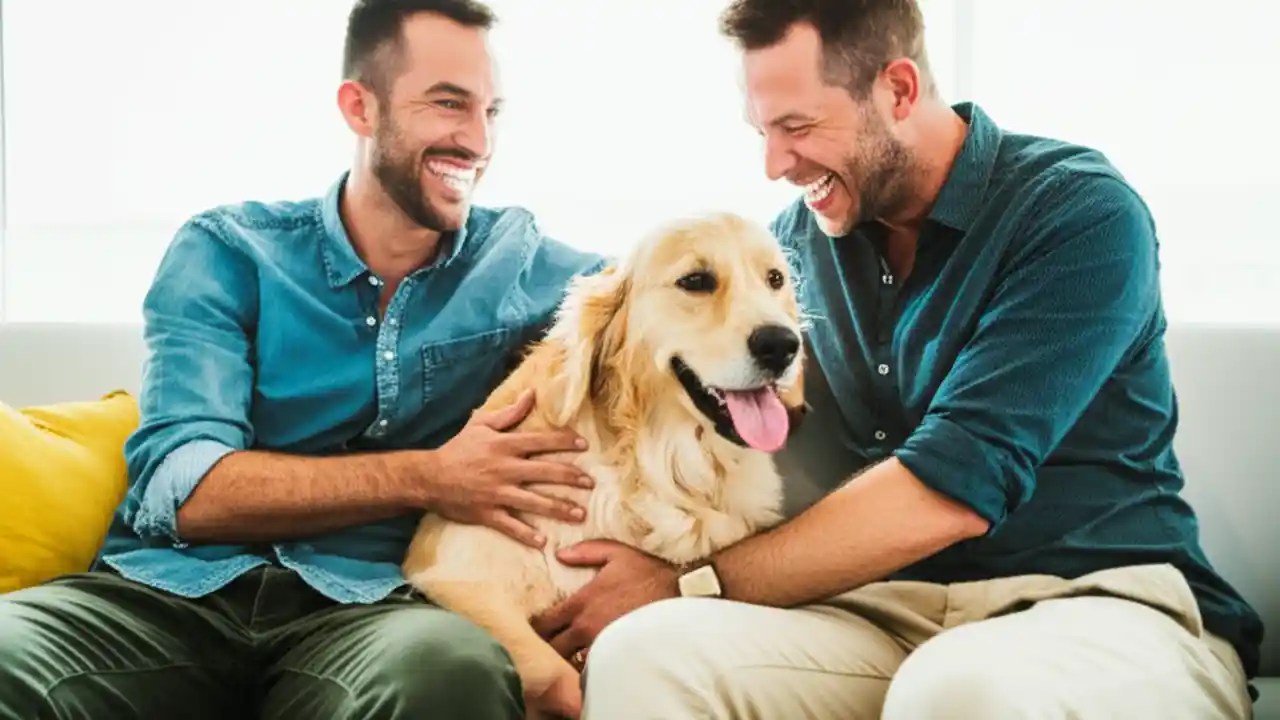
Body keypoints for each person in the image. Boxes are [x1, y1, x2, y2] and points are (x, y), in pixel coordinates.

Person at [531, 1, 1266, 718]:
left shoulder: (1077, 213)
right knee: (645, 654)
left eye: (798, 127)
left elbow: (953, 486)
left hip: (1096, 604)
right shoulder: (792, 250)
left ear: (899, 89)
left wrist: (685, 585)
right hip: (884, 616)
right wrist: (464, 473)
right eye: (762, 132)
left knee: (955, 690)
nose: (775, 164)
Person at [0, 1, 606, 718]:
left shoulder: (526, 267)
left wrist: (682, 574)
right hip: (164, 596)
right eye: (448, 105)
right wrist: (432, 476)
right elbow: (183, 490)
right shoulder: (230, 252)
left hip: (373, 614)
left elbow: (694, 300)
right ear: (360, 106)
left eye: (491, 112)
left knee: (451, 668)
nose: (477, 140)